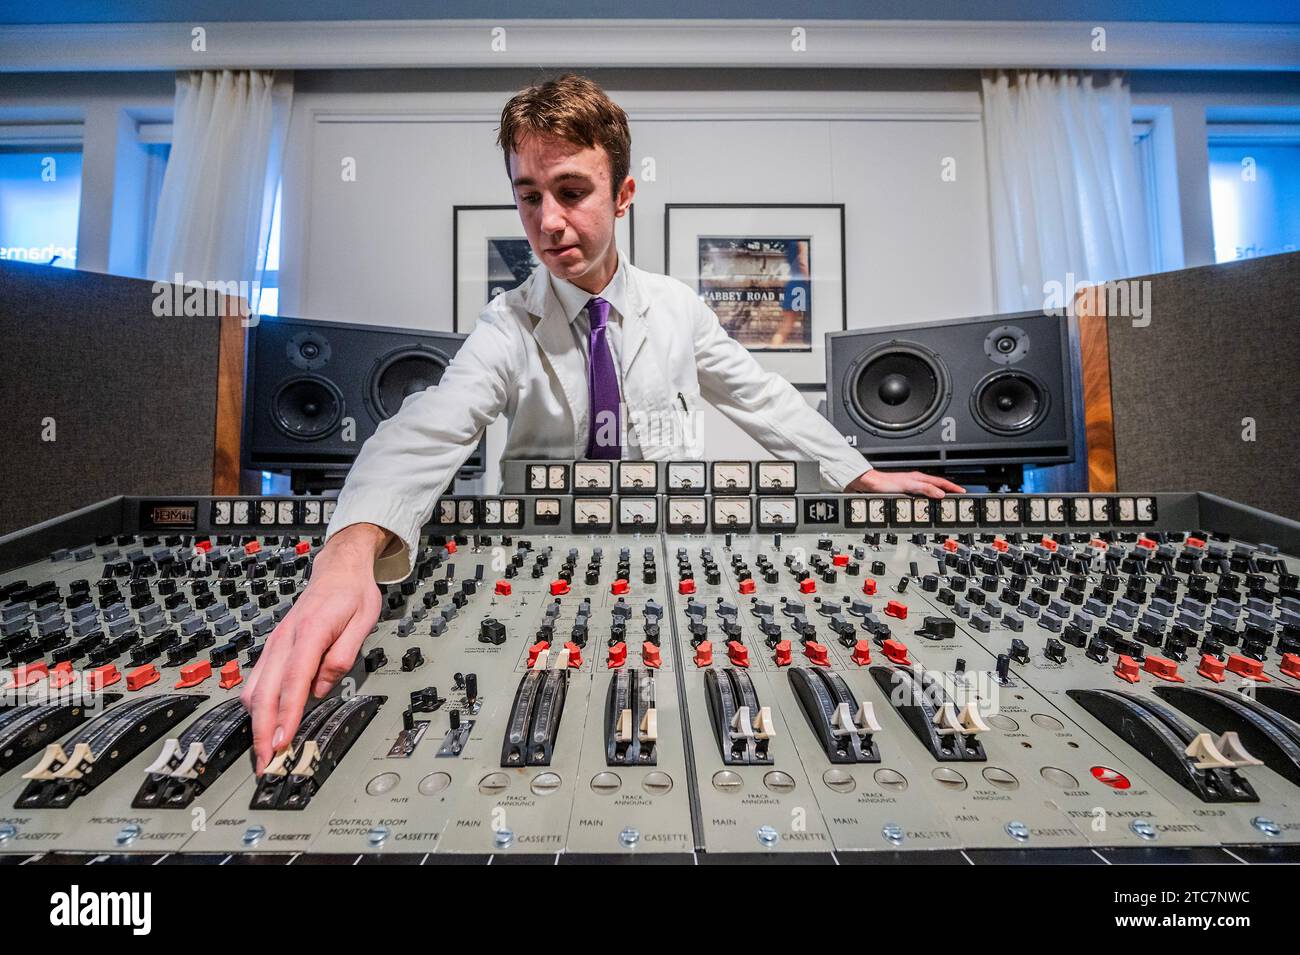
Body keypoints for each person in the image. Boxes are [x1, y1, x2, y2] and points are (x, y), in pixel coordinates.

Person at [242, 73, 964, 772]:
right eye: (529, 196)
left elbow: (760, 395)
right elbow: (430, 423)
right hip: (539, 573)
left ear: (623, 194)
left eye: (572, 192)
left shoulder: (678, 308)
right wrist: (346, 556)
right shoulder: (508, 323)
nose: (548, 222)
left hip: (672, 561)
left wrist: (862, 472)